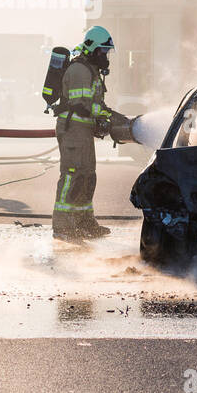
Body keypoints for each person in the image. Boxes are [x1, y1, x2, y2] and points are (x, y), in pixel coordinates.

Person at [53, 26, 125, 241]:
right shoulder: (79, 70)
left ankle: (84, 223)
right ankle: (62, 226)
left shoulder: (91, 70)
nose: (106, 56)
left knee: (87, 177)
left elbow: (93, 104)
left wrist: (106, 117)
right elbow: (82, 105)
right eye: (103, 51)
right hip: (73, 130)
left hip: (83, 131)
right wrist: (109, 115)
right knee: (72, 176)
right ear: (93, 49)